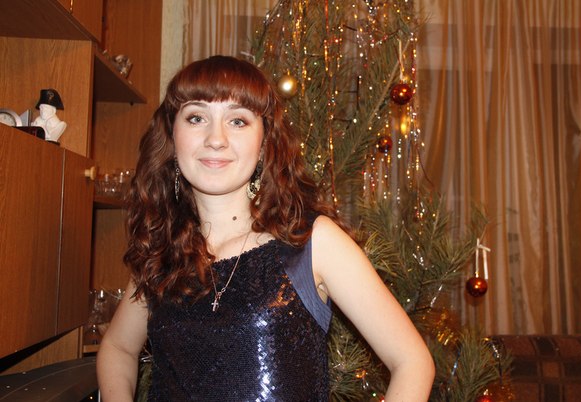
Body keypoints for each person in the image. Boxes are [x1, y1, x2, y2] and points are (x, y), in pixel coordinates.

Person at [96, 55, 435, 401]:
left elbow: (412, 362)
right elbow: (118, 347)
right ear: (172, 135)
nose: (216, 138)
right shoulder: (162, 250)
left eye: (238, 121)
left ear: (263, 144)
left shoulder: (311, 243)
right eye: (196, 117)